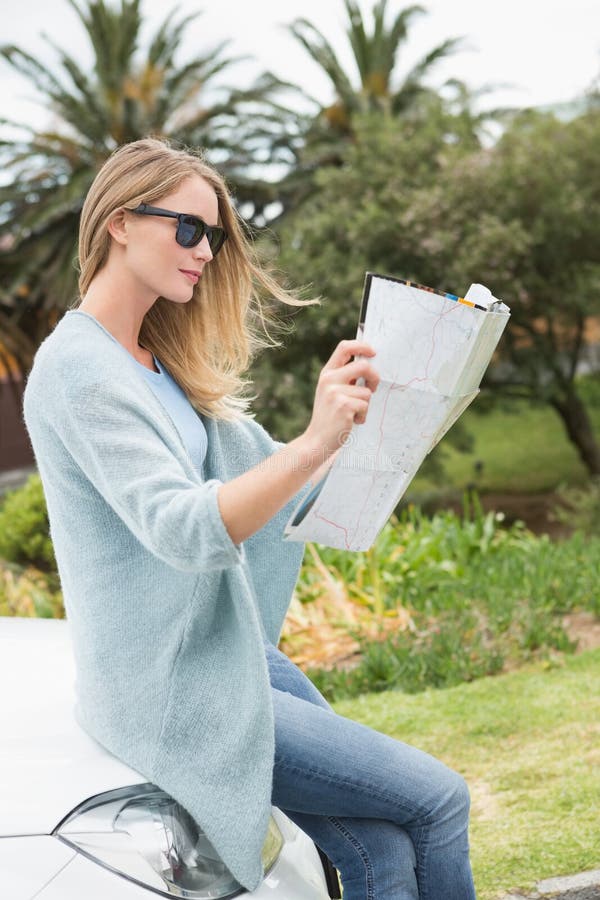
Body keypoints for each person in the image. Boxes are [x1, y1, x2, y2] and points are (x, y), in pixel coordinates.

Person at [22, 137, 476, 899]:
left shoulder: (152, 361)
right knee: (438, 802)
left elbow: (282, 487)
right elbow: (185, 526)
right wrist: (313, 441)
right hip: (177, 686)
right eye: (189, 229)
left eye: (217, 235)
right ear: (120, 222)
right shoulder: (75, 369)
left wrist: (393, 405)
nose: (205, 252)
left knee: (383, 852)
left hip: (231, 659)